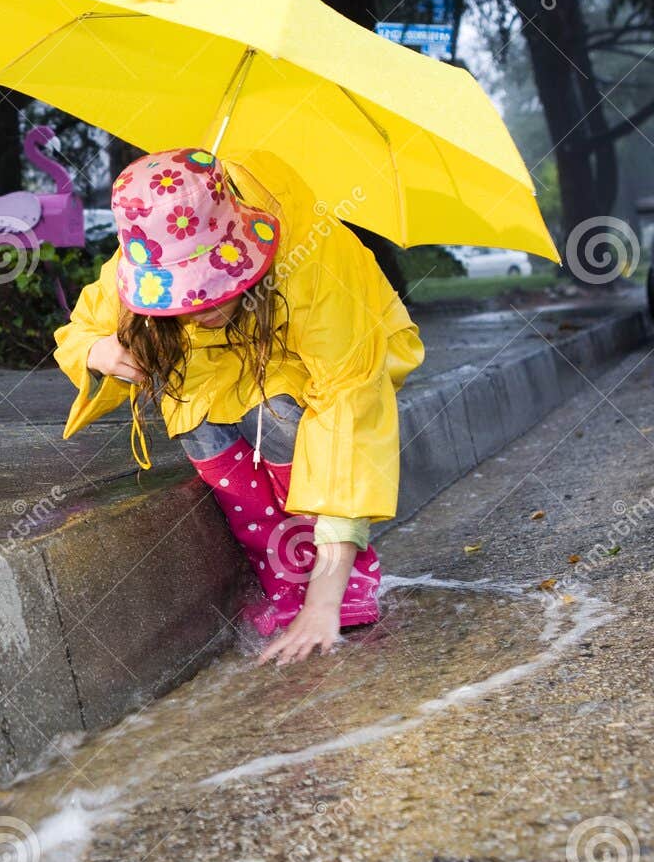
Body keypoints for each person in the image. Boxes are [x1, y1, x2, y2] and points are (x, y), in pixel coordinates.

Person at [53, 147, 424, 665]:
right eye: (184, 297)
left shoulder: (312, 258)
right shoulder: (150, 241)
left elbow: (348, 409)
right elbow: (80, 330)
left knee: (277, 418)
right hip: (216, 372)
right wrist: (100, 350)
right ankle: (284, 579)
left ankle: (344, 576)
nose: (202, 309)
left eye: (212, 290)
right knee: (200, 427)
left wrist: (324, 605)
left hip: (302, 365)